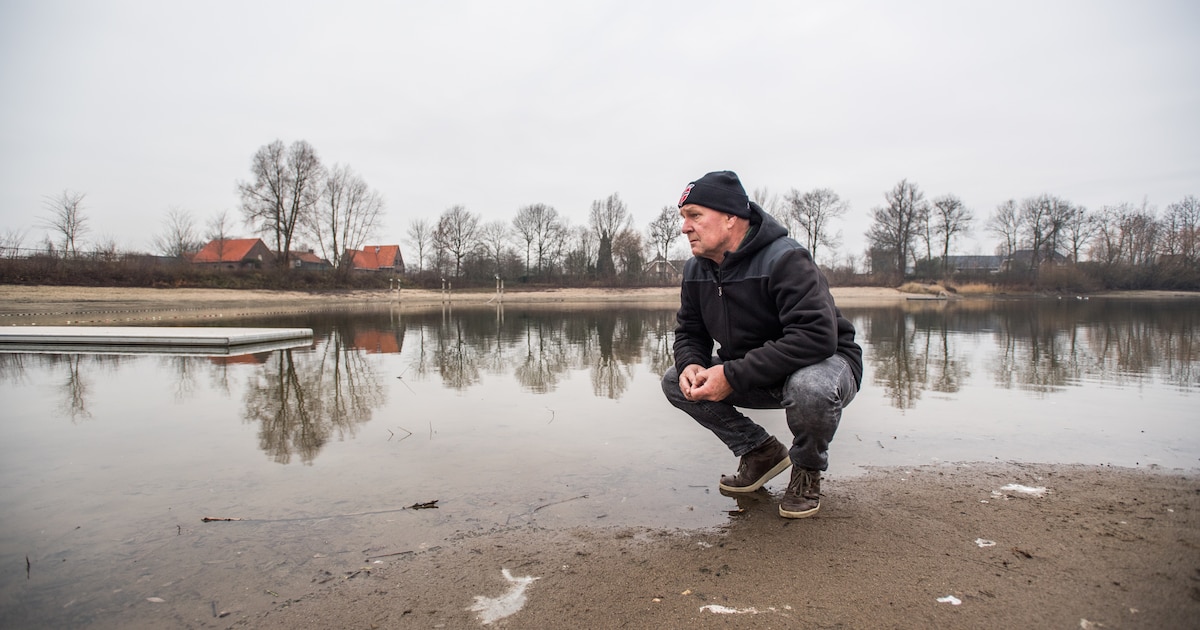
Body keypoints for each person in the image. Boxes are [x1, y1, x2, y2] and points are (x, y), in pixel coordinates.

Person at [661, 170, 863, 518]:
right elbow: (689, 331)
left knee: (810, 387)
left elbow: (816, 337)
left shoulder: (785, 259)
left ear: (729, 218)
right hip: (759, 372)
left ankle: (806, 471)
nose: (684, 227)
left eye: (695, 215)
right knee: (675, 381)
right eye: (683, 218)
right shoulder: (696, 271)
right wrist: (691, 363)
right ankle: (760, 452)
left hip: (826, 365)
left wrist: (732, 376)